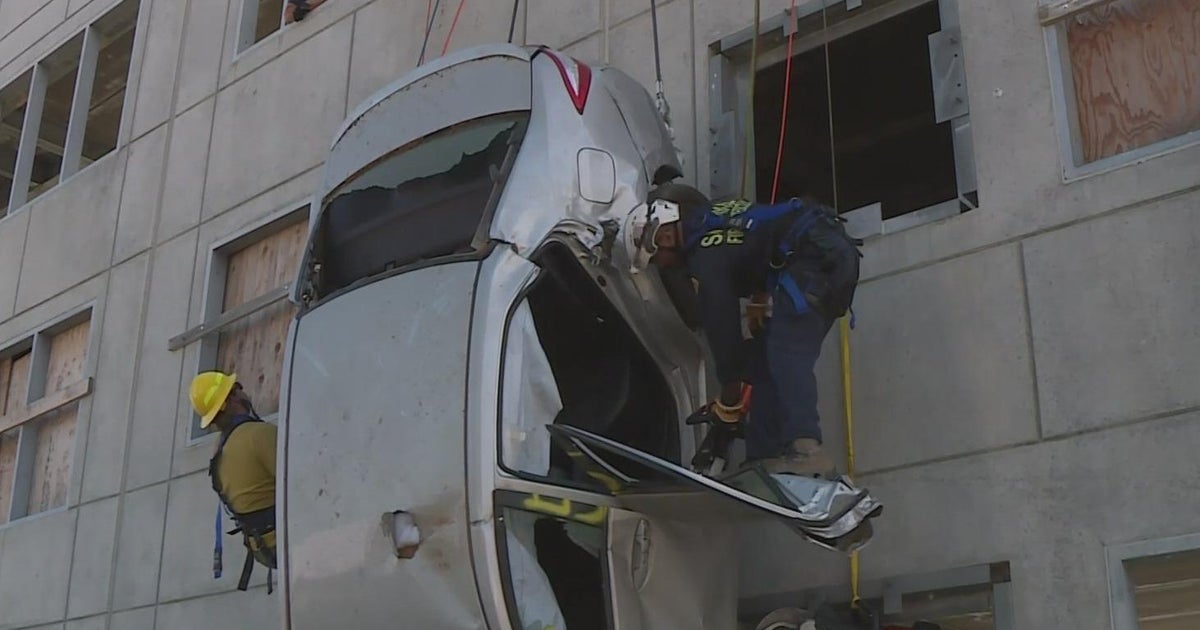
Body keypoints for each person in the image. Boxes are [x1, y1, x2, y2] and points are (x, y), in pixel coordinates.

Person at [646, 183, 861, 478]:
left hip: (814, 260)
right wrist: (760, 298)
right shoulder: (710, 221)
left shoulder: (704, 258)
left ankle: (808, 452)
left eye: (654, 255)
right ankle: (763, 461)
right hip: (827, 255)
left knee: (786, 354)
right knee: (767, 360)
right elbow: (756, 238)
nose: (658, 264)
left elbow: (723, 332)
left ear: (666, 234)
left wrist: (730, 397)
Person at [189, 371, 278, 592]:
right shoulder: (259, 435)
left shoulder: (219, 449)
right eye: (237, 386)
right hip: (290, 537)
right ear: (232, 398)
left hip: (263, 546)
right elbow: (305, 481)